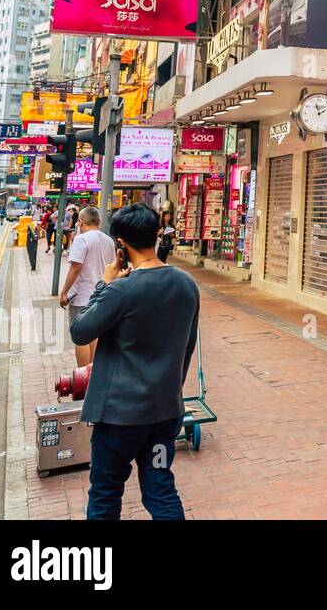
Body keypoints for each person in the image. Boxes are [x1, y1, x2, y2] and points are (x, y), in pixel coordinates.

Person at [69, 202, 200, 520]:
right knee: (160, 487)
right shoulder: (186, 285)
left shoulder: (120, 291)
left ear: (120, 245)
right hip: (164, 412)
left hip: (119, 419)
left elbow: (80, 331)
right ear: (156, 236)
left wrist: (104, 284)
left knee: (105, 493)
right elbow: (187, 347)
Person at [60, 207, 117, 366]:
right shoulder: (108, 240)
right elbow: (112, 267)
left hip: (82, 296)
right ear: (99, 222)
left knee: (82, 337)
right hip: (102, 296)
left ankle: (83, 375)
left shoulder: (81, 239)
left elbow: (76, 268)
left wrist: (64, 292)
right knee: (96, 335)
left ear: (81, 222)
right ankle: (92, 374)